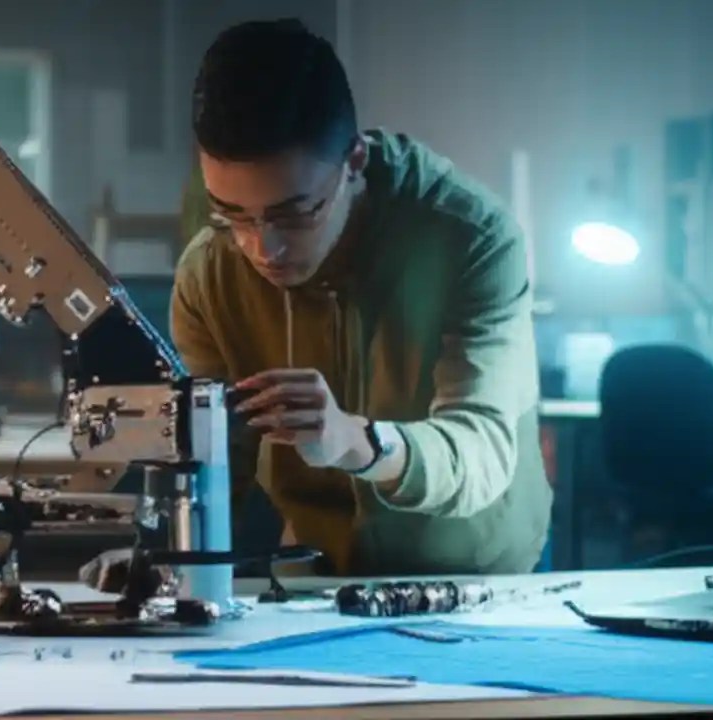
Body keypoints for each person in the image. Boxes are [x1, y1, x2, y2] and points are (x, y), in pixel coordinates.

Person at [168, 18, 552, 577]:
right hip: (317, 575)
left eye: (294, 213)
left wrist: (358, 442)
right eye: (233, 215)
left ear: (354, 163)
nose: (262, 248)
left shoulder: (472, 237)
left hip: (472, 579)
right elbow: (209, 461)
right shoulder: (208, 270)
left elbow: (482, 454)